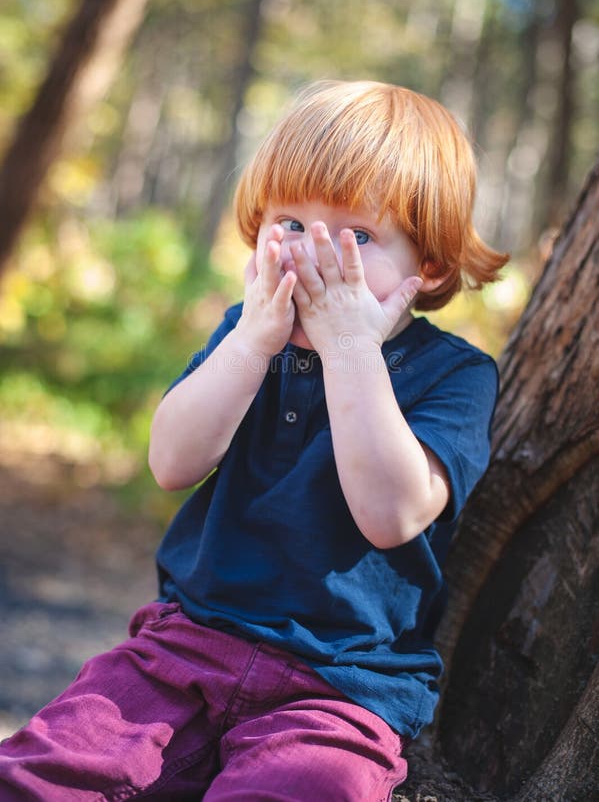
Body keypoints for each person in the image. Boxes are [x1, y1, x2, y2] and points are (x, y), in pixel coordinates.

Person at [0, 80, 509, 801]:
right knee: (46, 768)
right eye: (291, 224)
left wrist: (349, 351)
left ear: (427, 266)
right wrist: (247, 345)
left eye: (357, 237)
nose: (312, 256)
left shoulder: (454, 374)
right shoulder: (250, 329)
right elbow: (171, 463)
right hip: (181, 649)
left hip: (340, 687)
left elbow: (391, 513)